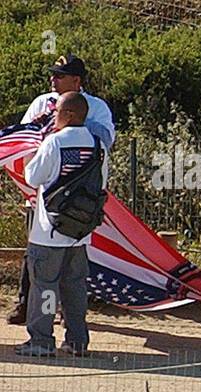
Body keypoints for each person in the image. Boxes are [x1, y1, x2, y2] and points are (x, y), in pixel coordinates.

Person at [6, 54, 115, 326]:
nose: (52, 80)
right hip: (43, 192)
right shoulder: (42, 103)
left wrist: (68, 122)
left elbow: (105, 138)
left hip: (78, 197)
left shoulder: (96, 107)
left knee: (66, 265)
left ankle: (59, 321)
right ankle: (26, 302)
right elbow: (26, 139)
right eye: (53, 74)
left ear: (76, 81)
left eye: (60, 75)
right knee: (36, 258)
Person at [15, 92, 109, 357]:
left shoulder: (54, 143)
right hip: (80, 232)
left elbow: (33, 177)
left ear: (68, 115)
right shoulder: (98, 144)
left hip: (49, 231)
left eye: (56, 113)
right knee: (76, 287)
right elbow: (101, 184)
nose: (53, 118)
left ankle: (42, 340)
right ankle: (77, 341)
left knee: (45, 287)